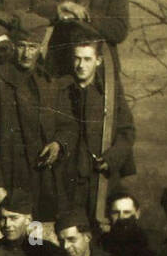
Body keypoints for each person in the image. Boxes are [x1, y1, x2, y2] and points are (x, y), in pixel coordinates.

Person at [0, 12, 71, 222]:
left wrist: (58, 143)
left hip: (42, 180)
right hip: (9, 178)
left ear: (40, 48)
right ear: (13, 45)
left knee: (37, 238)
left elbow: (67, 125)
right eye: (22, 46)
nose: (27, 54)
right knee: (10, 234)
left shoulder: (49, 82)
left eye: (33, 47)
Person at [59, 35, 137, 229]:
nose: (81, 65)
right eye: (77, 58)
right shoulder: (61, 89)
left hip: (101, 177)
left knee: (104, 228)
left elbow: (127, 131)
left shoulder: (109, 92)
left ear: (98, 60)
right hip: (69, 178)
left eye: (87, 59)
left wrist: (111, 159)